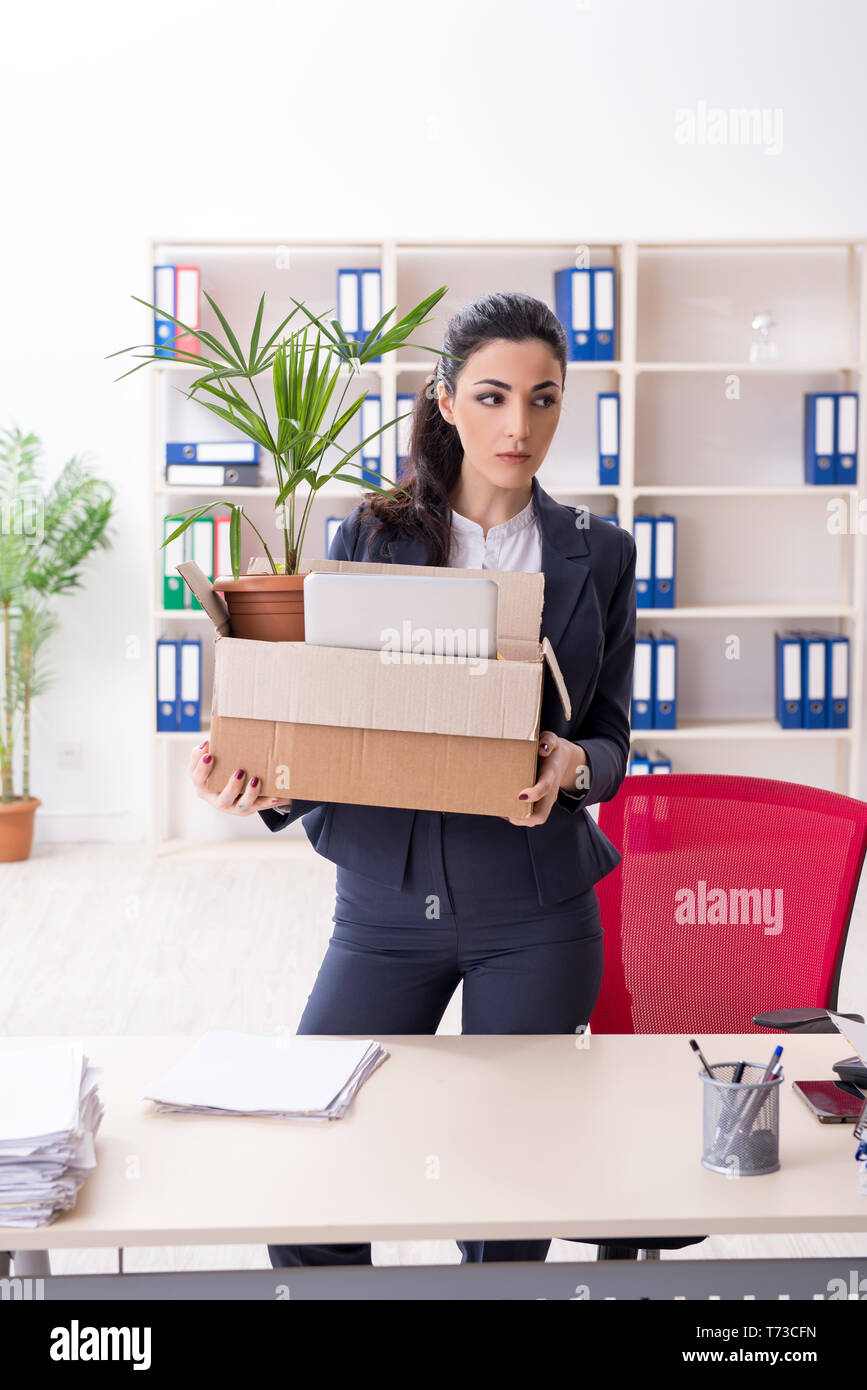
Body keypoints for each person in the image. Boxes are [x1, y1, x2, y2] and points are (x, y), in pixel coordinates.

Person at [189, 290, 637, 1267]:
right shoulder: (374, 537)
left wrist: (573, 763)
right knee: (308, 1183)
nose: (520, 427)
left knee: (505, 1204)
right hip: (387, 902)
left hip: (536, 909)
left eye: (544, 399)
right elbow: (347, 719)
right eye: (491, 397)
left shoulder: (599, 552)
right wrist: (269, 782)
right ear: (442, 399)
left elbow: (612, 736)